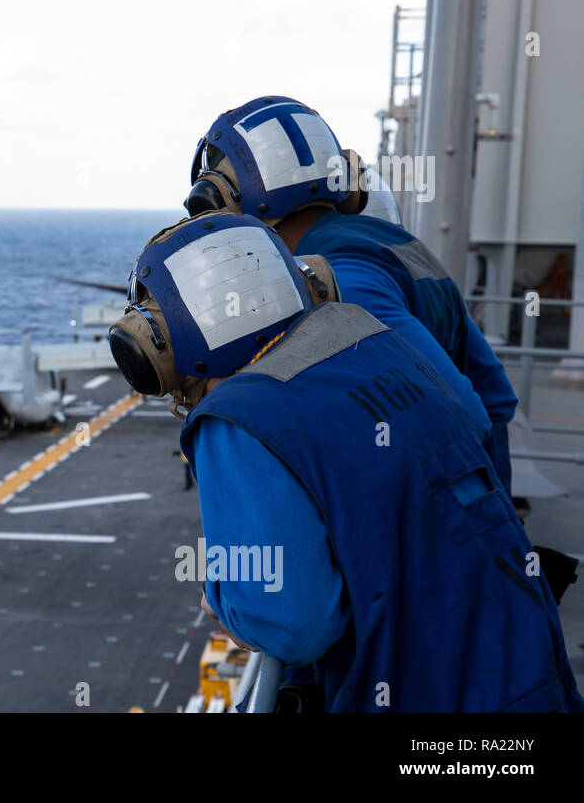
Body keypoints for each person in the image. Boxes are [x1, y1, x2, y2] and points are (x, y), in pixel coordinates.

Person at [107, 211, 582, 712]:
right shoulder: (370, 331)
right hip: (531, 663)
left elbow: (291, 625)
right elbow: (472, 414)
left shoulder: (236, 418)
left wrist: (223, 597)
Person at [181, 95, 518, 496]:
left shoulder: (343, 282)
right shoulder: (393, 243)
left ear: (225, 201)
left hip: (435, 520)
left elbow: (465, 412)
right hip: (479, 503)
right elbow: (495, 391)